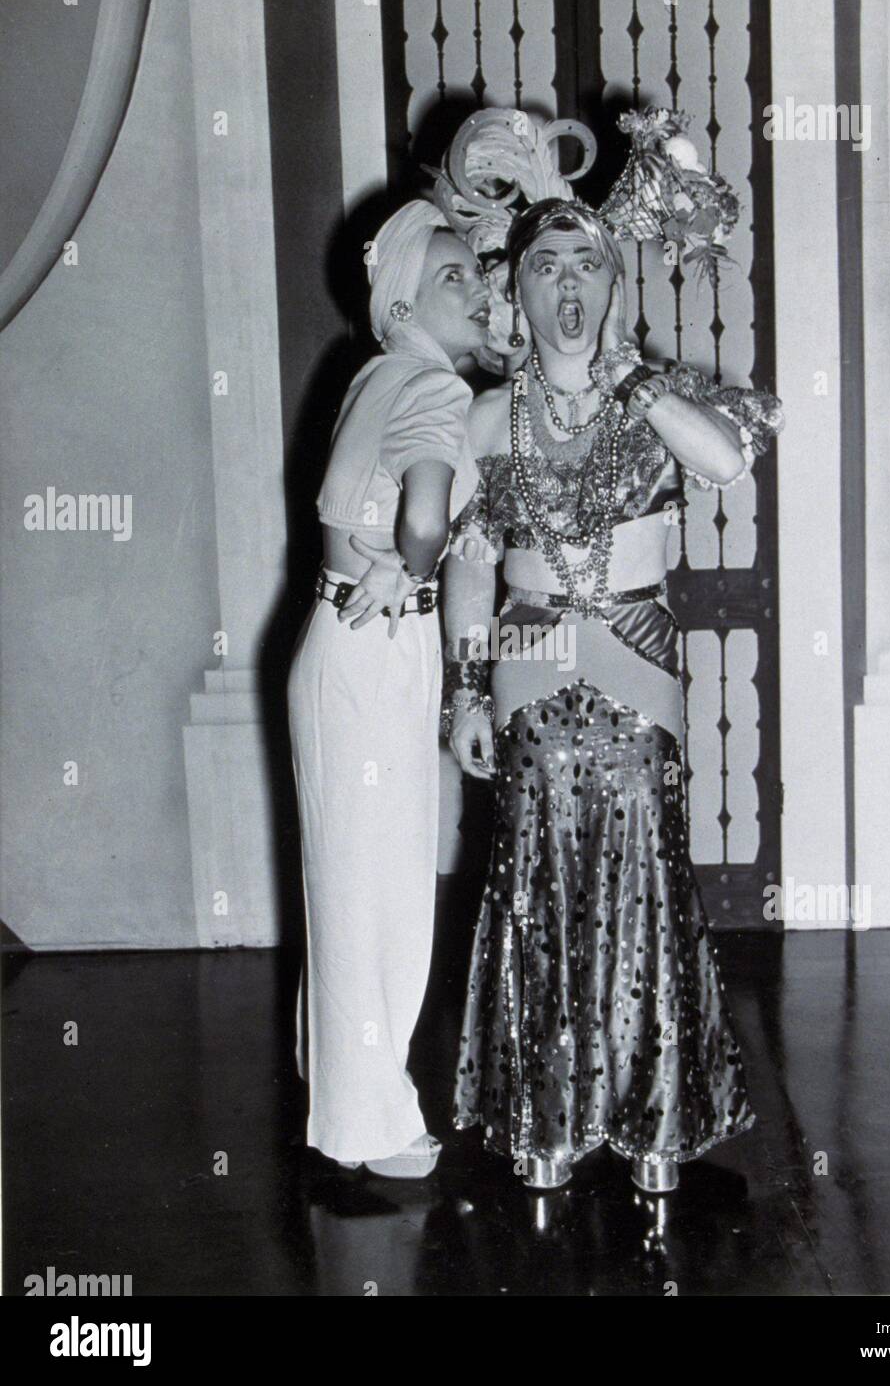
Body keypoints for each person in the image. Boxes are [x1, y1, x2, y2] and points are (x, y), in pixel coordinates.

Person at [443, 197, 782, 1193]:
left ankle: (654, 1119)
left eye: (586, 265)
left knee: (642, 881)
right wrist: (464, 692)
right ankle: (545, 1120)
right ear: (518, 285)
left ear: (612, 284)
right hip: (528, 643)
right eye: (546, 265)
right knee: (537, 884)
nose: (567, 284)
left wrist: (635, 381)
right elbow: (469, 563)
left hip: (636, 644)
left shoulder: (654, 395)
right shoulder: (484, 414)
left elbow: (723, 462)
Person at [288, 200, 491, 1178]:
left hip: (343, 642)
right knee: (381, 895)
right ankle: (370, 1123)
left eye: (476, 273)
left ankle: (338, 1088)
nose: (478, 290)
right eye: (454, 276)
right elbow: (420, 517)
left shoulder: (377, 372)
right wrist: (410, 570)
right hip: (375, 644)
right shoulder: (436, 387)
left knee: (349, 882)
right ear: (404, 297)